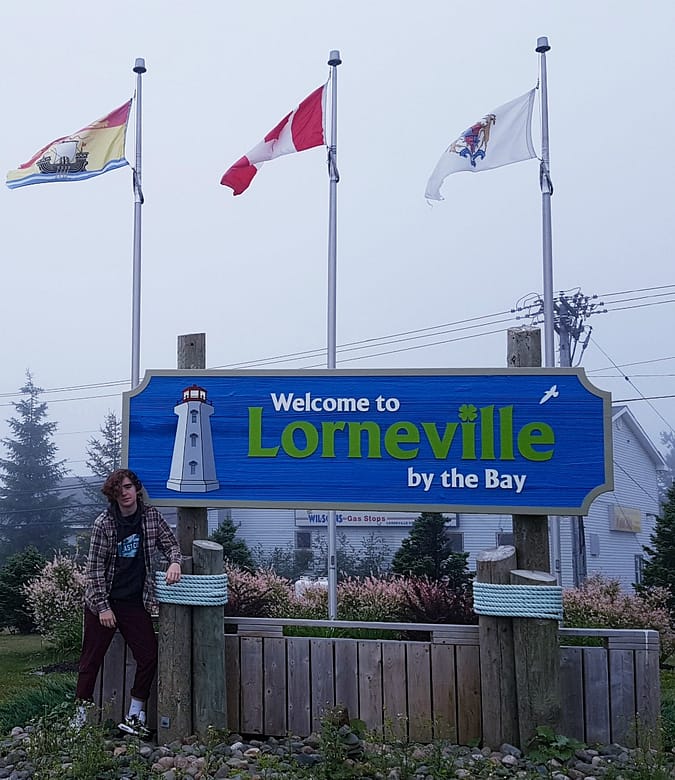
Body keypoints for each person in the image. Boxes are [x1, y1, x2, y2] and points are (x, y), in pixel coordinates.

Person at [74, 468, 182, 736]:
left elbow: (171, 544)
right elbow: (95, 569)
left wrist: (175, 562)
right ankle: (77, 719)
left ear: (137, 489)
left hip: (134, 601)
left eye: (128, 487)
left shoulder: (151, 517)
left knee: (148, 655)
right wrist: (102, 607)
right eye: (118, 489)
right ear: (112, 495)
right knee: (90, 661)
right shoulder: (104, 523)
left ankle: (135, 716)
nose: (124, 493)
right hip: (103, 600)